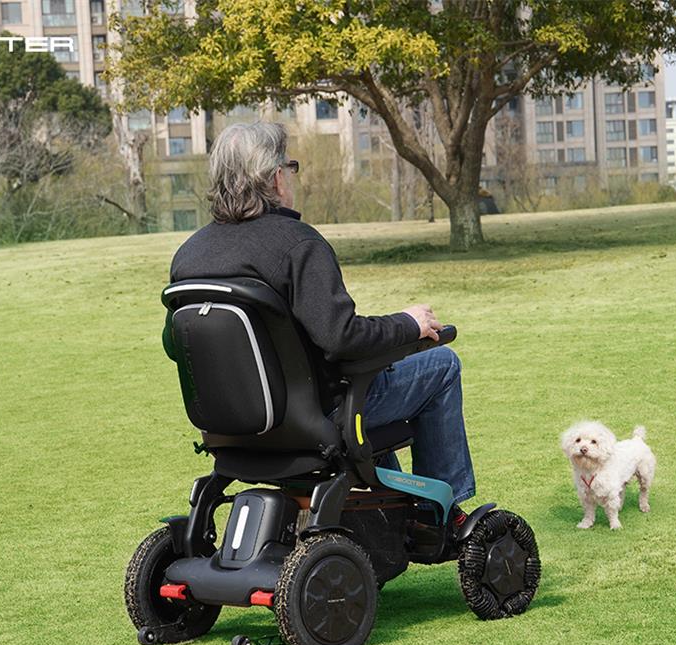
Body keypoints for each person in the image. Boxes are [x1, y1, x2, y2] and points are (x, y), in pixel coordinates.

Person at [168, 121, 475, 521]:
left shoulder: (189, 255)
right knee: (440, 364)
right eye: (290, 167)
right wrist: (408, 324)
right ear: (277, 178)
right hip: (312, 418)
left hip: (228, 427)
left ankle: (385, 516)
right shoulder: (298, 244)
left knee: (368, 381)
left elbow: (175, 344)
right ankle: (443, 513)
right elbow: (342, 338)